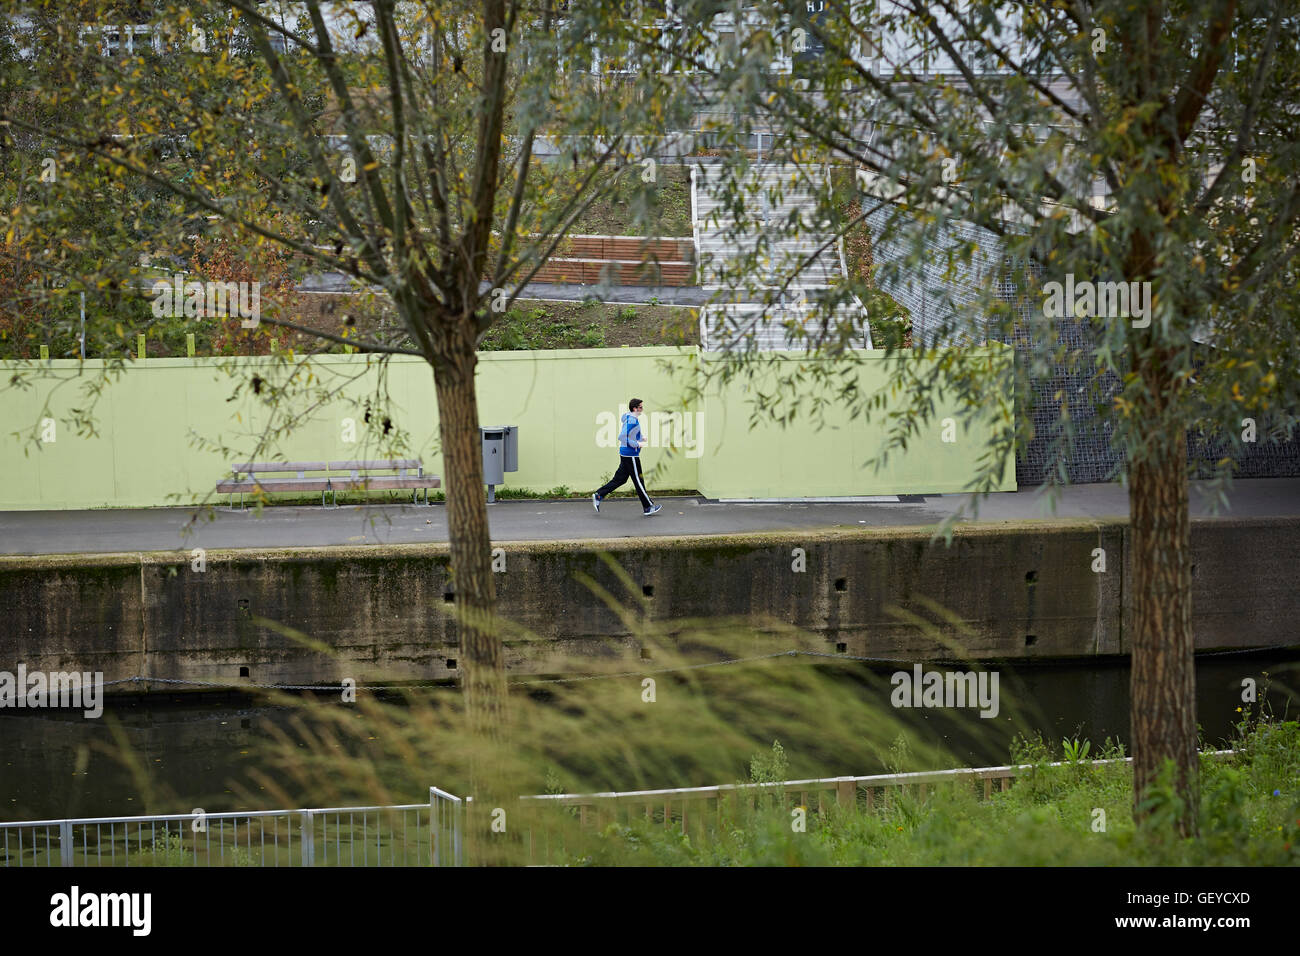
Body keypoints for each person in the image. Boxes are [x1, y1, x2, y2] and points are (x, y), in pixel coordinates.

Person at [593, 398, 662, 516]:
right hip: (631, 455)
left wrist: (641, 438)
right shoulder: (632, 420)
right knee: (639, 481)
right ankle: (648, 507)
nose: (642, 409)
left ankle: (599, 495)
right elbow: (622, 437)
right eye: (640, 407)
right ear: (635, 408)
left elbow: (631, 434)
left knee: (620, 479)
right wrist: (637, 444)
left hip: (626, 453)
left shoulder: (630, 418)